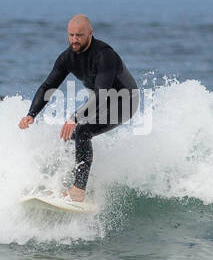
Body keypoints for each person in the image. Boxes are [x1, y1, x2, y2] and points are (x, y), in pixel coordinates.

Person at [18, 15, 139, 202]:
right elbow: (47, 86)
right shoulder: (67, 58)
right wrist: (31, 114)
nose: (74, 40)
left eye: (79, 35)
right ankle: (73, 183)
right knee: (70, 135)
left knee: (82, 130)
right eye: (71, 35)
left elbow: (102, 94)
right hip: (101, 100)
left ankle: (78, 190)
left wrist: (74, 117)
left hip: (125, 101)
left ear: (90, 33)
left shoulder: (105, 55)